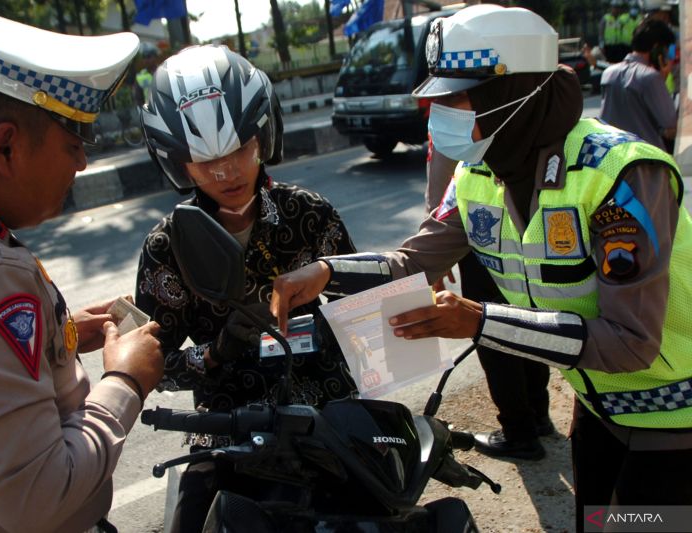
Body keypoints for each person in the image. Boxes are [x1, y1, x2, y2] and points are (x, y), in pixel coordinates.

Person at [271, 5, 692, 530]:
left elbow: (632, 342)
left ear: (512, 92)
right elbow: (415, 258)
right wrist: (328, 271)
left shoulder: (620, 176)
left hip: (674, 415)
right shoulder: (478, 175)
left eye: (454, 97)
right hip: (599, 404)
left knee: (648, 525)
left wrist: (481, 321)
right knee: (600, 523)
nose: (435, 110)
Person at [0, 1, 165, 531]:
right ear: (7, 146)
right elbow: (40, 496)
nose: (83, 163)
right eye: (72, 143)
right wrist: (126, 381)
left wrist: (58, 337)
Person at [135, 45, 358, 532]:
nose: (225, 172)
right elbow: (152, 366)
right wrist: (215, 353)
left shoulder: (311, 215)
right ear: (177, 162)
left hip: (330, 408)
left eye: (238, 150)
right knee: (191, 520)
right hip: (227, 426)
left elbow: (362, 311)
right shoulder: (164, 248)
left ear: (263, 136)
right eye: (203, 161)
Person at [427, 145, 554, 461]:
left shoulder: (454, 109)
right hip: (515, 227)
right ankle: (538, 414)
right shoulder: (496, 106)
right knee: (527, 316)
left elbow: (440, 196)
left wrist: (436, 261)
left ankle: (519, 432)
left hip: (477, 233)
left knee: (492, 332)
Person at [600, 19, 677, 151]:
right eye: (666, 50)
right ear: (656, 48)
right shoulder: (650, 78)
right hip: (646, 160)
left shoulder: (608, 74)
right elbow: (670, 124)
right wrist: (661, 80)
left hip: (614, 157)